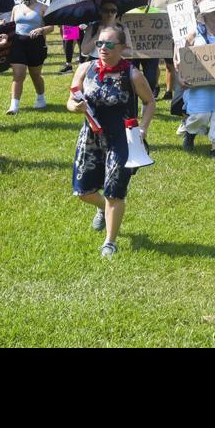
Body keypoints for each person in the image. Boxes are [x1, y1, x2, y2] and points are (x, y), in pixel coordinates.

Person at [65, 24, 158, 257]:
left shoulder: (133, 74)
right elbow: (70, 101)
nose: (103, 48)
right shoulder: (86, 68)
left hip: (122, 139)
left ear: (122, 48)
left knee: (114, 193)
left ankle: (110, 242)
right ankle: (102, 209)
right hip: (90, 137)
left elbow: (150, 102)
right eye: (99, 43)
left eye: (109, 44)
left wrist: (143, 129)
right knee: (83, 191)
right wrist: (74, 107)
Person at [177, 4, 215, 159]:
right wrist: (181, 77)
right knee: (200, 115)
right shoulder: (194, 34)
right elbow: (184, 58)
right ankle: (190, 133)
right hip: (200, 85)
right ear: (205, 16)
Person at [0, 0, 55, 115]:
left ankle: (41, 98)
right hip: (17, 43)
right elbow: (11, 26)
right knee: (18, 74)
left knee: (35, 75)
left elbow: (51, 27)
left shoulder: (43, 7)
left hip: (36, 44)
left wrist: (41, 29)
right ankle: (14, 106)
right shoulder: (16, 8)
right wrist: (3, 24)